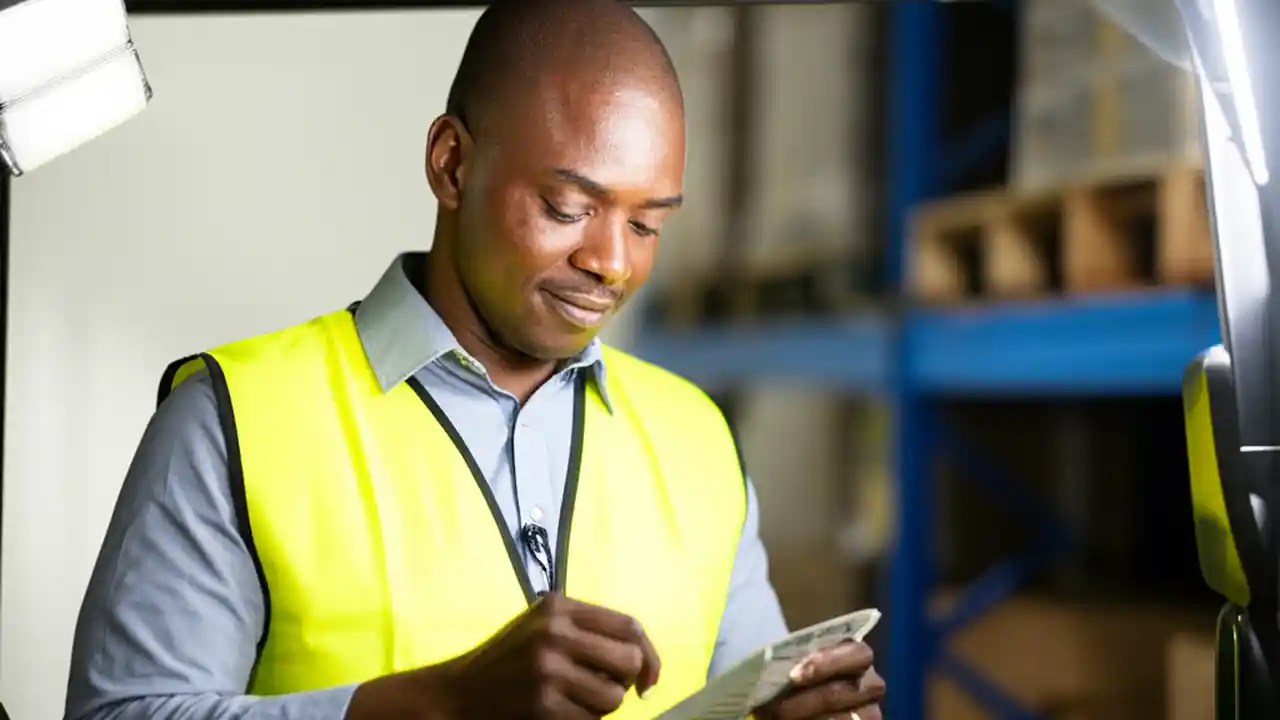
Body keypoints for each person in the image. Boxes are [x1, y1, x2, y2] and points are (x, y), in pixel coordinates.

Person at [64, 1, 885, 718]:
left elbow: (745, 692)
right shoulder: (232, 419)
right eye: (568, 207)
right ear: (451, 164)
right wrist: (439, 708)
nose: (612, 262)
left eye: (647, 225)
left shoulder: (698, 440)